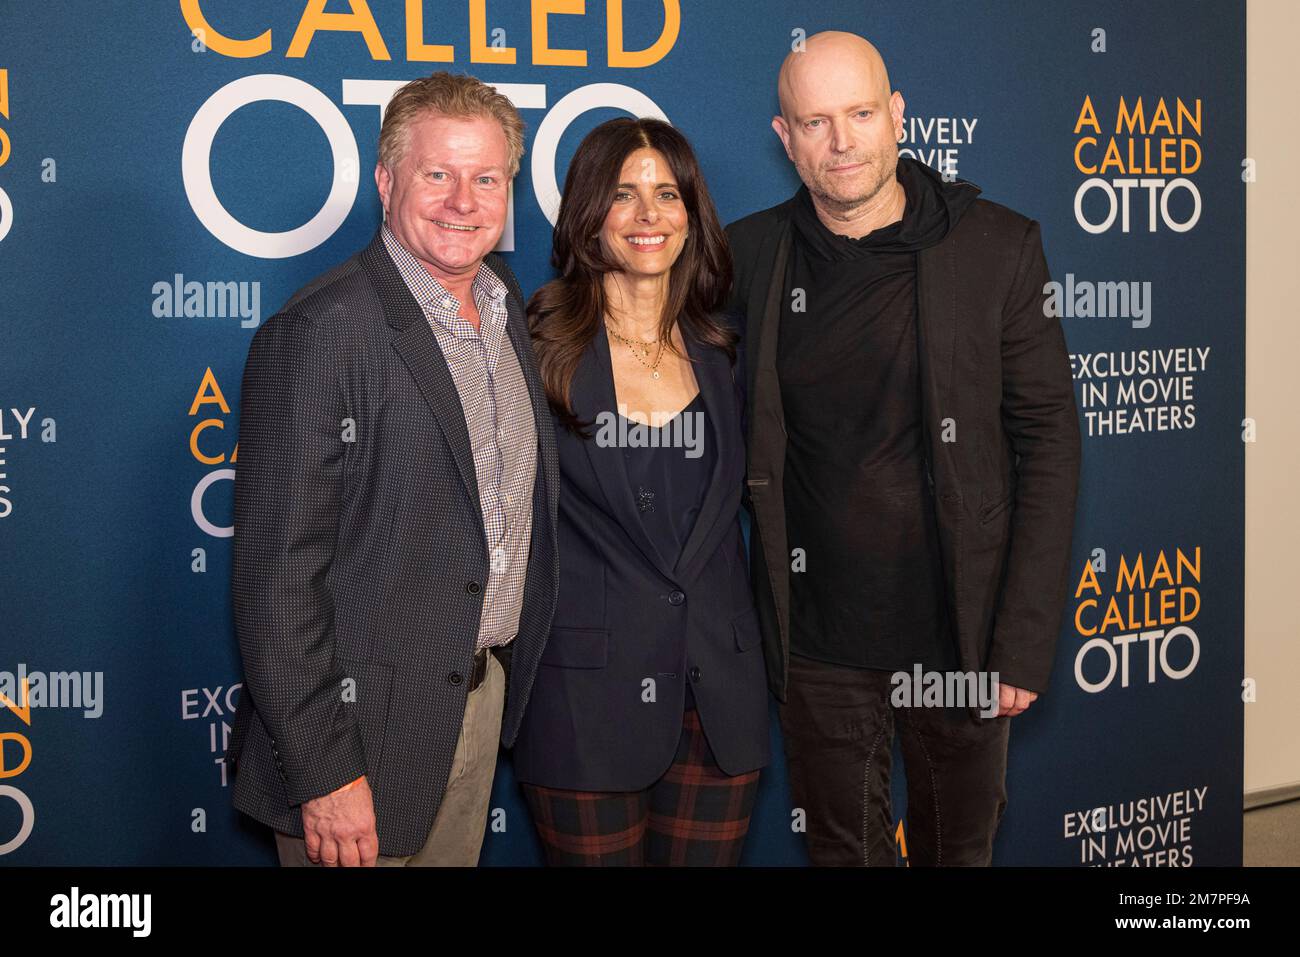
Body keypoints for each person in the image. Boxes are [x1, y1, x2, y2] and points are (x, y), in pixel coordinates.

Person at [725, 31, 1081, 865]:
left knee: (958, 847)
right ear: (785, 137)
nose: (841, 142)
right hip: (816, 637)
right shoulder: (751, 254)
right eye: (814, 122)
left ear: (897, 117)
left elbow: (1049, 441)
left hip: (961, 626)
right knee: (842, 851)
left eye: (858, 114)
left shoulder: (997, 244)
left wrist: (1022, 640)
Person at [225, 71, 558, 867]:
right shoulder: (320, 331)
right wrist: (327, 772)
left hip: (473, 709)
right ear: (386, 180)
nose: (462, 200)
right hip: (356, 739)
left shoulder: (506, 300)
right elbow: (276, 582)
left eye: (486, 178)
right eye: (436, 174)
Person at [512, 117, 770, 866]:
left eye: (667, 193)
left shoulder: (726, 352)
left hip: (718, 701)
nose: (648, 214)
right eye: (623, 195)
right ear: (589, 214)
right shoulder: (535, 349)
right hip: (582, 703)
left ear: (692, 214)